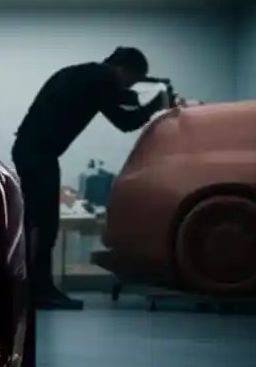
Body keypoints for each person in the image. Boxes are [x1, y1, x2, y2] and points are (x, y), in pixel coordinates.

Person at [12, 47, 170, 310]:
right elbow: (126, 121)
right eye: (133, 78)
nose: (131, 85)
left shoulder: (87, 75)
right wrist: (157, 105)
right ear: (123, 70)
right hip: (38, 154)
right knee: (44, 224)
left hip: (32, 151)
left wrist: (148, 92)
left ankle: (36, 289)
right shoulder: (102, 80)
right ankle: (39, 291)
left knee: (38, 223)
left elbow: (125, 100)